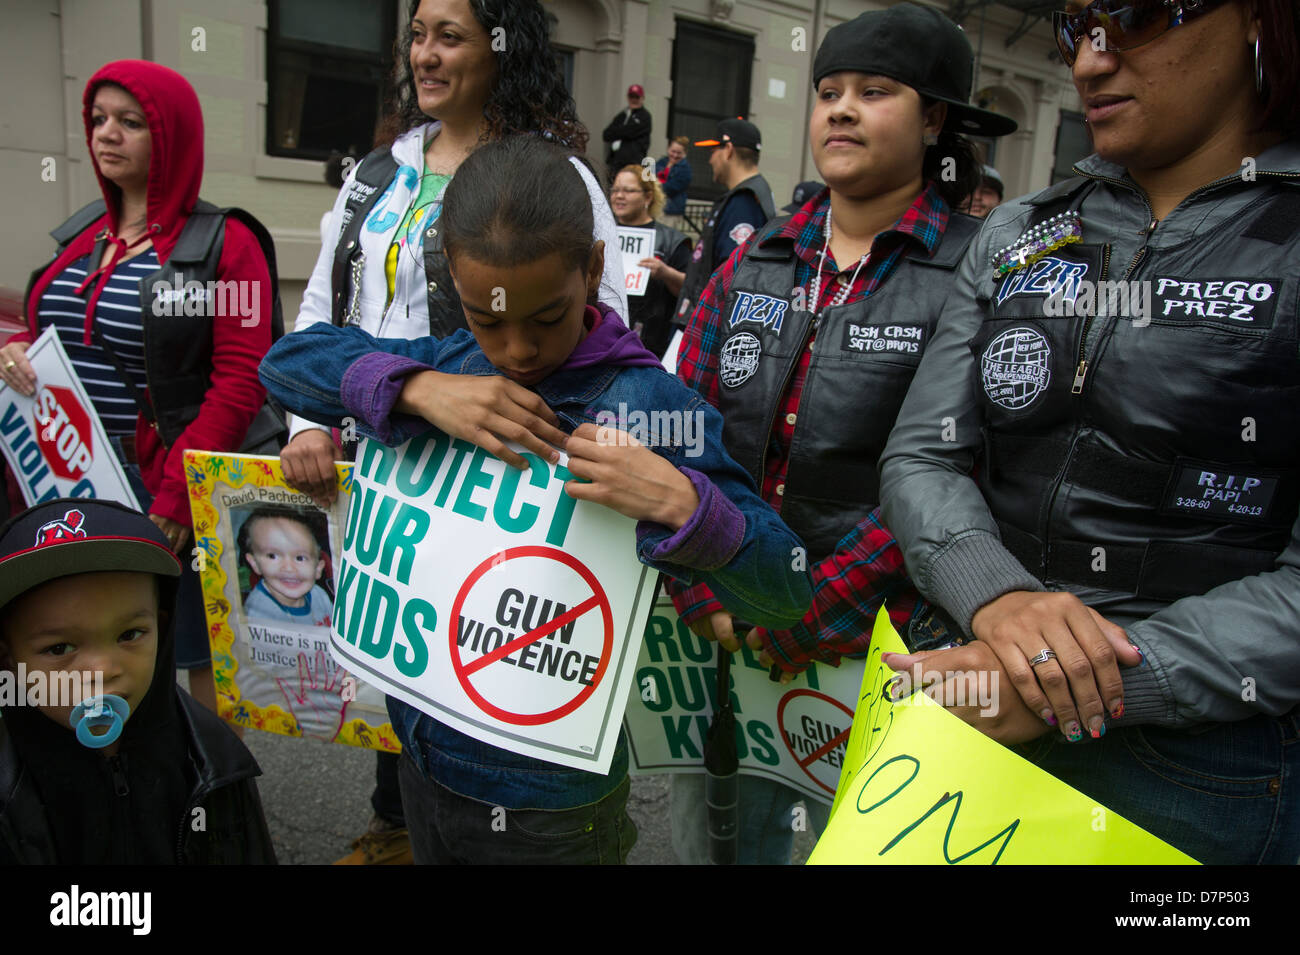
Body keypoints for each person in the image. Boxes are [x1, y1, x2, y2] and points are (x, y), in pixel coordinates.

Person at [258, 134, 814, 865]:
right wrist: (420, 388)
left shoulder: (645, 403)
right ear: (455, 282)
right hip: (422, 748)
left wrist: (686, 502)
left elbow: (786, 587)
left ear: (591, 269)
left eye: (546, 317)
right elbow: (287, 362)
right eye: (487, 318)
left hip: (550, 806)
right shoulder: (457, 365)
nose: (517, 350)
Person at [878, 0, 1300, 864]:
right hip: (963, 699)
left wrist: (1083, 681)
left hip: (1191, 770)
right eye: (1076, 28)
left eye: (1135, 17)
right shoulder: (1019, 227)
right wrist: (997, 595)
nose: (1090, 62)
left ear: (1261, 21)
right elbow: (923, 452)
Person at [278, 0, 627, 867]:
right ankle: (398, 821)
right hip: (373, 443)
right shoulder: (373, 175)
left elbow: (603, 325)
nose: (426, 56)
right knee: (386, 634)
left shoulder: (553, 178)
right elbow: (321, 311)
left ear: (502, 50)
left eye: (452, 37)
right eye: (418, 36)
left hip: (491, 471)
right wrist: (309, 420)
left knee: (471, 656)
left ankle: (489, 818)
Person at [667, 3, 1016, 864]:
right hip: (721, 637)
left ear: (935, 119)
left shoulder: (981, 272)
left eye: (876, 91)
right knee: (713, 843)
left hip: (881, 655)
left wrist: (805, 611)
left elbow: (957, 469)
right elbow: (680, 430)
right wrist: (701, 586)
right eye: (828, 91)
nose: (842, 109)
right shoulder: (759, 257)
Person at [0, 61, 277, 721]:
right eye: (98, 119)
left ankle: (207, 799)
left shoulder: (226, 243)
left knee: (195, 654)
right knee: (90, 644)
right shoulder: (79, 237)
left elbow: (241, 380)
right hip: (68, 477)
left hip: (166, 487)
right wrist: (13, 353)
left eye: (130, 122)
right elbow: (51, 341)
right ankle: (103, 799)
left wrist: (180, 500)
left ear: (171, 135)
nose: (106, 134)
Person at [0, 498, 277, 864]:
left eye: (129, 634)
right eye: (59, 648)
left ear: (161, 629)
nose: (101, 670)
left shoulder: (211, 756)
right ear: (8, 657)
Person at [671, 118, 776, 337]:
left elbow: (731, 279)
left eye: (713, 151)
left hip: (711, 330)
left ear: (728, 150)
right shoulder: (745, 197)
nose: (710, 159)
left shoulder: (744, 202)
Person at [610, 166, 692, 358]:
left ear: (648, 197)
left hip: (651, 344)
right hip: (605, 335)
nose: (619, 196)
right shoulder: (601, 232)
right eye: (615, 190)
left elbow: (691, 291)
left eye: (628, 191)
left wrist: (666, 273)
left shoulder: (673, 241)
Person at [238, 507, 333, 627]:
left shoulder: (319, 595)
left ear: (318, 568)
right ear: (254, 564)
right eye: (273, 556)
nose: (288, 568)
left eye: (300, 558)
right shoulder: (259, 613)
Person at [602, 84, 653, 179]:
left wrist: (619, 131)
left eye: (637, 97)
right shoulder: (622, 115)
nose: (634, 100)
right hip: (615, 164)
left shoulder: (645, 116)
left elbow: (630, 132)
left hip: (633, 164)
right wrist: (624, 130)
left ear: (642, 98)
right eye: (631, 96)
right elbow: (606, 134)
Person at [655, 136, 693, 231]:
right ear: (668, 149)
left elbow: (671, 188)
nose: (675, 155)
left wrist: (656, 184)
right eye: (673, 151)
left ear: (685, 153)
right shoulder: (661, 162)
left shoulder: (685, 169)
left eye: (679, 153)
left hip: (671, 211)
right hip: (655, 207)